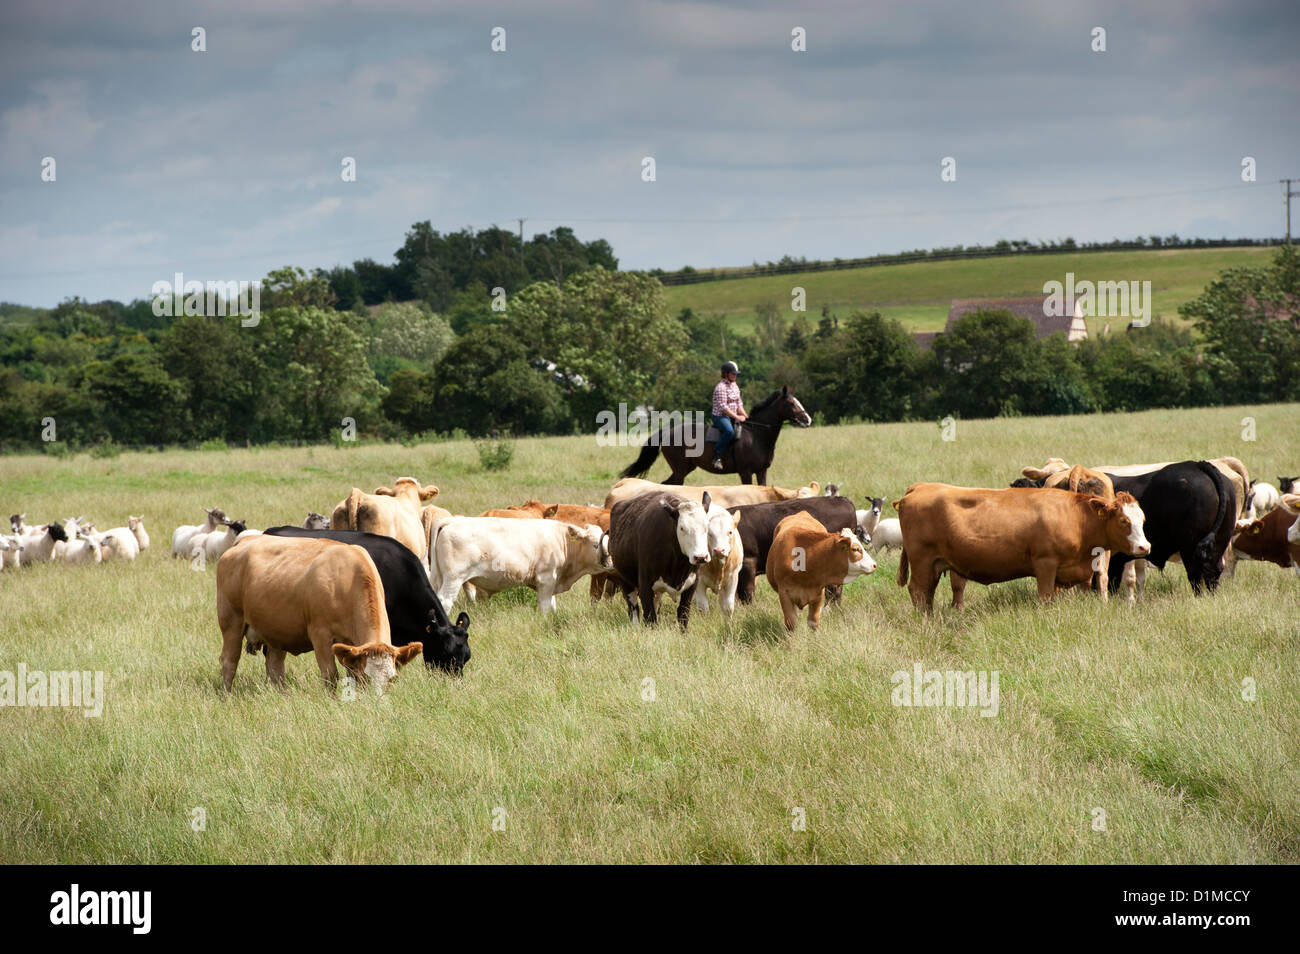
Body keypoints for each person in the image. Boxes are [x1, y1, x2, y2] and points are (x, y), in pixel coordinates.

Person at [710, 361, 746, 471]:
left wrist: (745, 415)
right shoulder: (721, 387)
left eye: (736, 374)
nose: (735, 376)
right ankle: (717, 456)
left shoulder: (734, 386)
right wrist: (737, 417)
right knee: (729, 432)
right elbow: (723, 408)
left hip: (732, 415)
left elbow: (739, 404)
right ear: (726, 374)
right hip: (720, 416)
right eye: (733, 373)